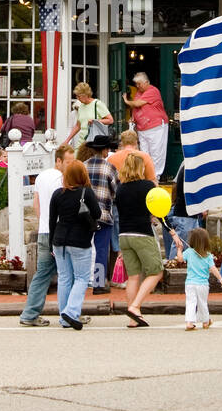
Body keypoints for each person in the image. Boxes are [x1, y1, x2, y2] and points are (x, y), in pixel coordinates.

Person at [18, 145, 74, 327]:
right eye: (68, 162)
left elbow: (36, 203)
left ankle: (29, 313)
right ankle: (70, 312)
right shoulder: (64, 179)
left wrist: (43, 220)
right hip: (61, 231)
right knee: (68, 274)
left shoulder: (41, 176)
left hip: (44, 230)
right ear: (58, 161)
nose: (70, 165)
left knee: (42, 274)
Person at [50, 160, 101, 331]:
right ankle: (71, 312)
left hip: (59, 239)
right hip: (80, 240)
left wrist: (51, 243)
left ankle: (64, 316)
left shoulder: (57, 194)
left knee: (64, 278)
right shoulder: (86, 192)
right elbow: (97, 213)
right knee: (81, 278)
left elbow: (52, 221)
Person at [113, 152, 162, 327]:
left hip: (124, 234)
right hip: (142, 232)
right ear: (140, 168)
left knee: (133, 276)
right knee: (156, 271)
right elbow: (158, 208)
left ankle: (134, 317)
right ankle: (135, 306)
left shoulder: (121, 188)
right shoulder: (147, 185)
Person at [83, 135, 119, 294]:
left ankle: (82, 280)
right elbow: (116, 191)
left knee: (83, 248)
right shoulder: (109, 168)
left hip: (84, 215)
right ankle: (98, 284)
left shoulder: (83, 166)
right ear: (104, 150)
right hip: (103, 214)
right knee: (101, 249)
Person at [170, 226, 222, 330]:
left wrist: (179, 249)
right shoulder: (208, 255)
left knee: (191, 302)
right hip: (202, 284)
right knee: (202, 303)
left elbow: (180, 259)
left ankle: (189, 322)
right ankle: (205, 321)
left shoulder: (189, 252)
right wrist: (220, 278)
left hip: (190, 283)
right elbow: (213, 268)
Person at [124, 72, 170, 178]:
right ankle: (145, 175)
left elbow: (137, 104)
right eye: (136, 84)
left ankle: (155, 177)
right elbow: (136, 108)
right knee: (144, 153)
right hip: (142, 128)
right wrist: (134, 118)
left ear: (147, 82)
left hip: (156, 126)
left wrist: (126, 101)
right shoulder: (139, 93)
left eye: (140, 84)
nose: (138, 86)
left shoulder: (153, 91)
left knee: (156, 152)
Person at [63, 81, 113, 148]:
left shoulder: (97, 104)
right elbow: (78, 126)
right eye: (76, 96)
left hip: (93, 142)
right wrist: (67, 140)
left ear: (86, 95)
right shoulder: (81, 107)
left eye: (79, 96)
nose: (77, 98)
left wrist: (95, 121)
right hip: (81, 142)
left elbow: (110, 120)